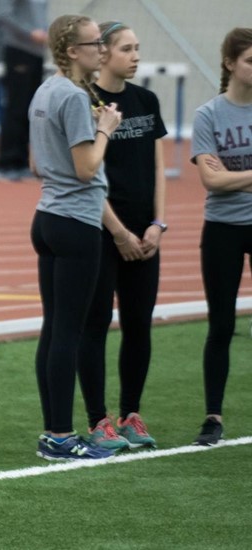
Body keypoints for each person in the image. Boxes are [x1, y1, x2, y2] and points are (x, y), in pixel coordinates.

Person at [29, 14, 122, 461]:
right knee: (68, 330)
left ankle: (54, 432)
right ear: (71, 51)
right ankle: (62, 436)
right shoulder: (72, 96)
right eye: (94, 43)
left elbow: (36, 165)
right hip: (76, 221)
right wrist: (105, 129)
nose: (101, 49)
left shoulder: (45, 90)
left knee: (54, 329)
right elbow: (86, 169)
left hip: (47, 216)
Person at [77, 21, 167, 452]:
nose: (135, 56)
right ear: (104, 53)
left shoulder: (146, 100)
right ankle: (99, 421)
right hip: (103, 233)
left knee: (138, 325)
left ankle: (131, 415)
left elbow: (158, 168)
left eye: (137, 48)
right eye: (126, 49)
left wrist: (157, 224)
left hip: (145, 235)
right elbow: (88, 177)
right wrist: (119, 232)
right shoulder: (87, 104)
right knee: (95, 325)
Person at [190, 27, 252, 447]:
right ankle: (213, 416)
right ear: (230, 64)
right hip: (222, 229)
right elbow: (211, 181)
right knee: (222, 325)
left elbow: (223, 176)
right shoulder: (208, 115)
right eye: (250, 60)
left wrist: (233, 177)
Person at [0, 0, 49, 181]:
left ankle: (22, 163)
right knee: (16, 108)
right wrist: (30, 33)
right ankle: (7, 163)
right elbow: (3, 14)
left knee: (29, 109)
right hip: (19, 50)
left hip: (37, 53)